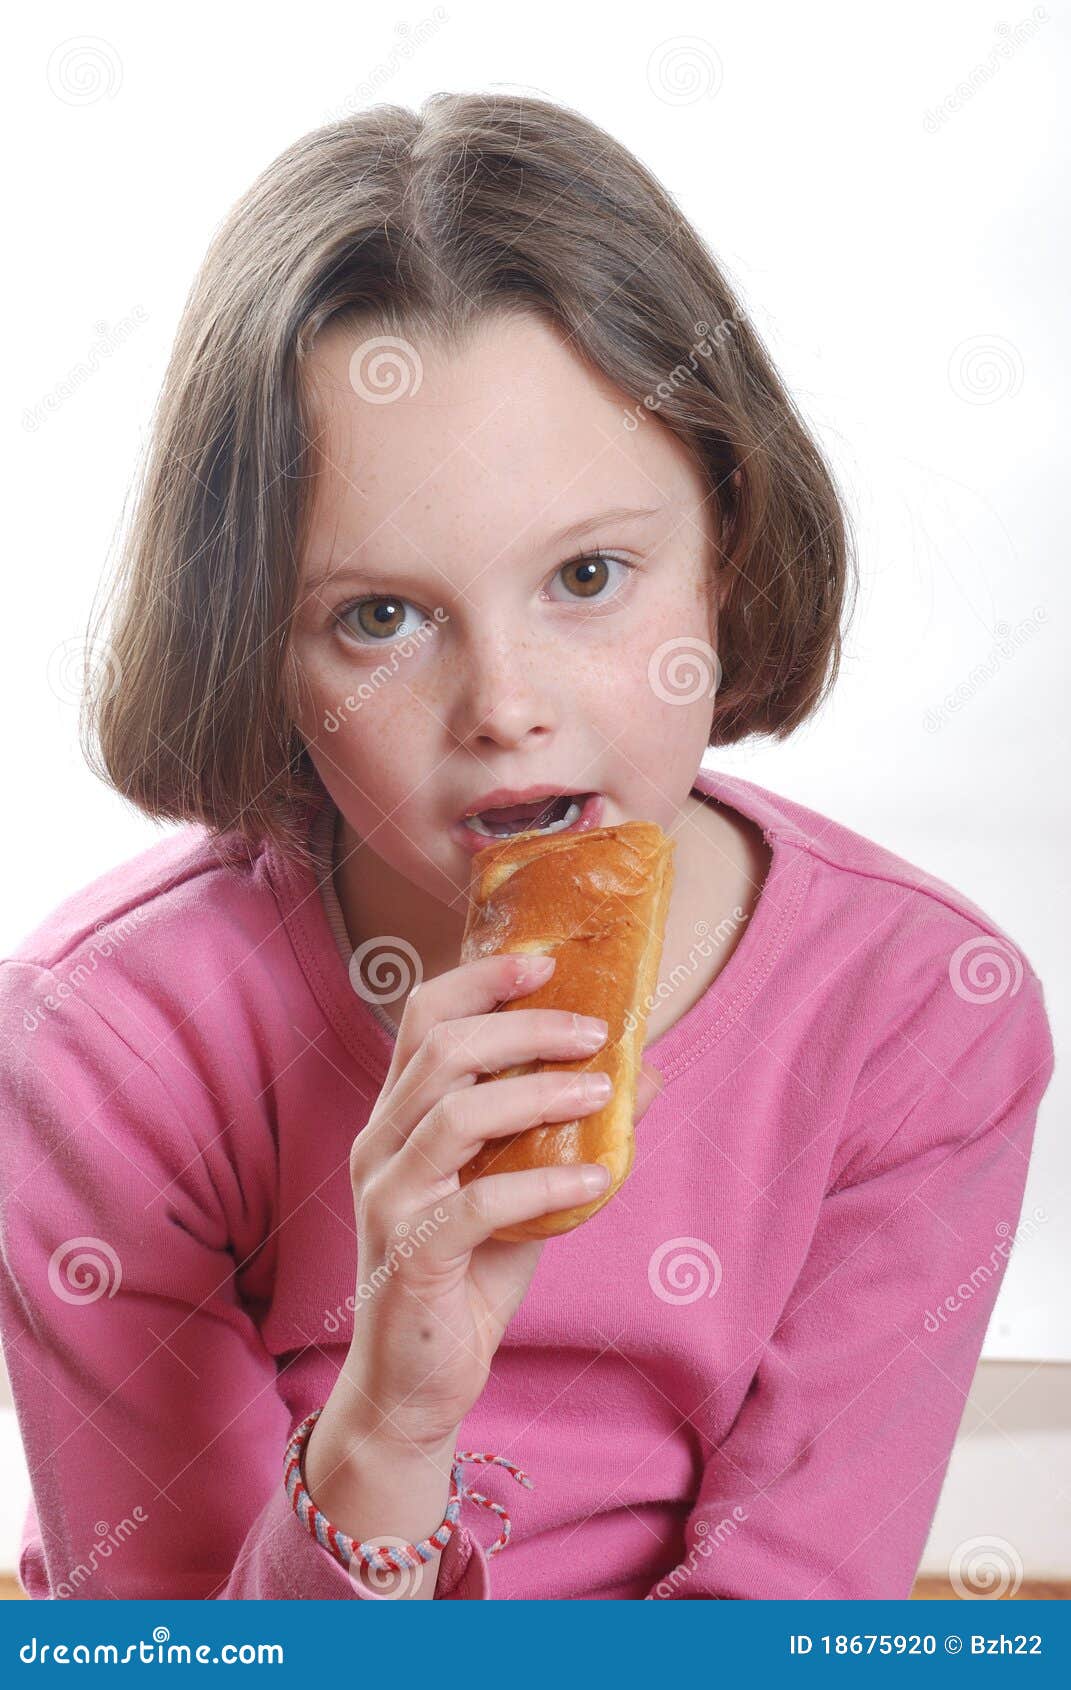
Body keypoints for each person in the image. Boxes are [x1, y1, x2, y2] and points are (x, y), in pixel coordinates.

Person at [0, 92, 1054, 1602]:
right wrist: (391, 1417)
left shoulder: (920, 1014)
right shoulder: (102, 1045)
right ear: (260, 649)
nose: (504, 706)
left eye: (588, 576)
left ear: (728, 544)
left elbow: (790, 1621)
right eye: (381, 616)